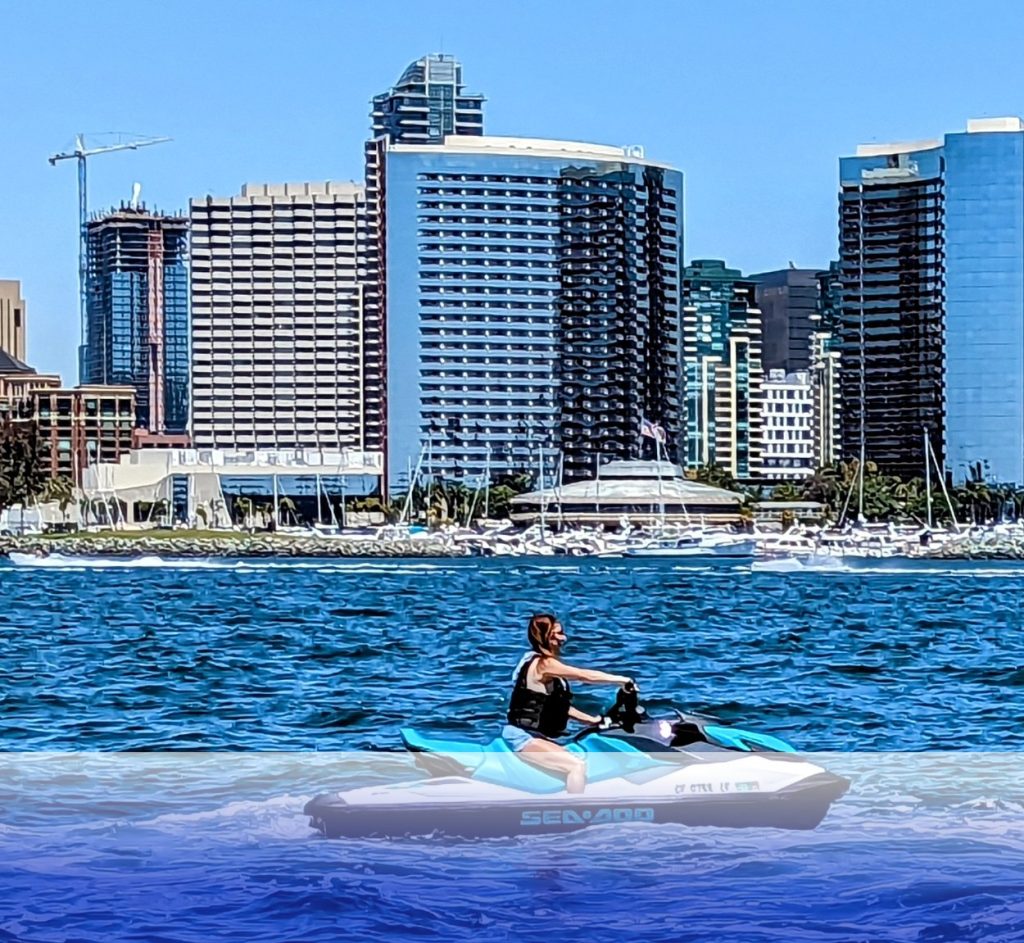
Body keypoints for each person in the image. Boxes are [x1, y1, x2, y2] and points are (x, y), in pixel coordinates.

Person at [504, 612, 633, 793]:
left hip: (535, 735)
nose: (563, 638)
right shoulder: (544, 665)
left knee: (579, 754)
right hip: (523, 737)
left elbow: (557, 707)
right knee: (576, 766)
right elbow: (584, 675)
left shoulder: (539, 664)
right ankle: (576, 814)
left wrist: (590, 720)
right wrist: (622, 680)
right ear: (545, 637)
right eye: (557, 634)